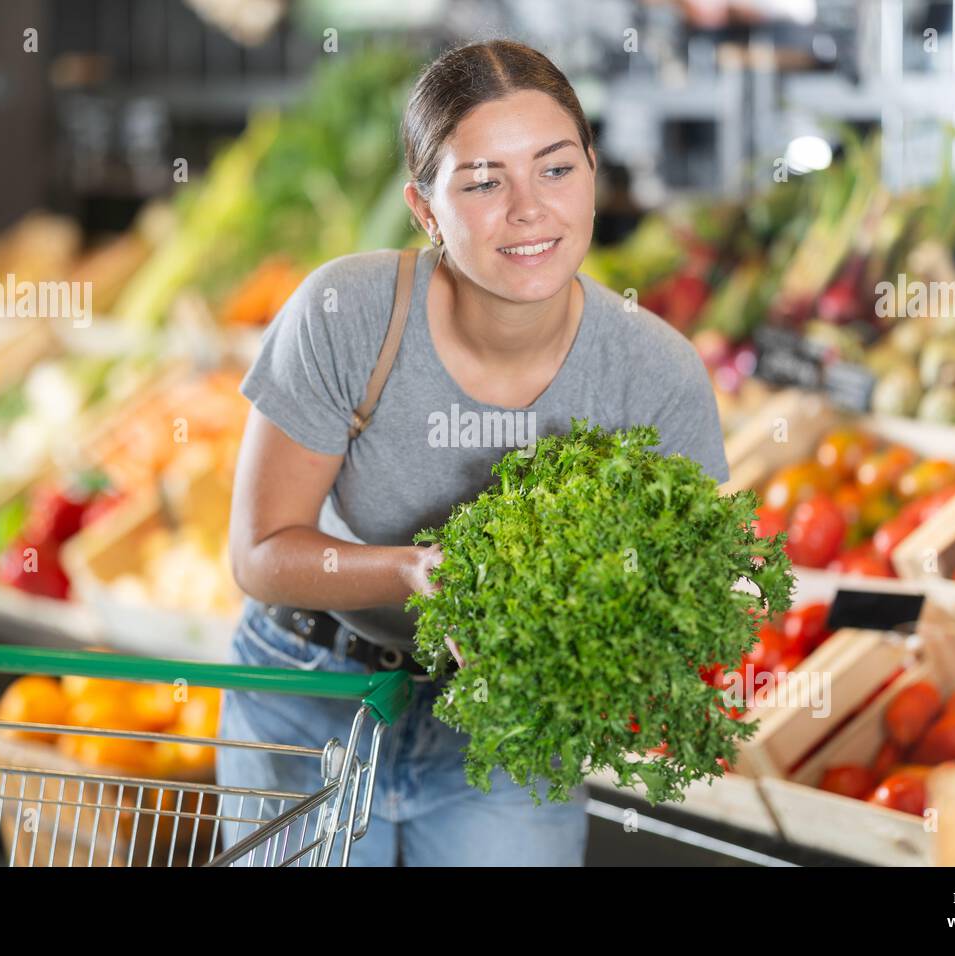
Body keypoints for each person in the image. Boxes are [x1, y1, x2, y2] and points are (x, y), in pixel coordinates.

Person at [216, 38, 729, 867]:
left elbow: (692, 591)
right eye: (484, 182)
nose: (528, 210)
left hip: (508, 732)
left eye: (556, 169)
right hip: (316, 697)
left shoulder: (654, 371)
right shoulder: (347, 314)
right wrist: (412, 572)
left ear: (595, 174)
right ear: (425, 211)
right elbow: (259, 553)